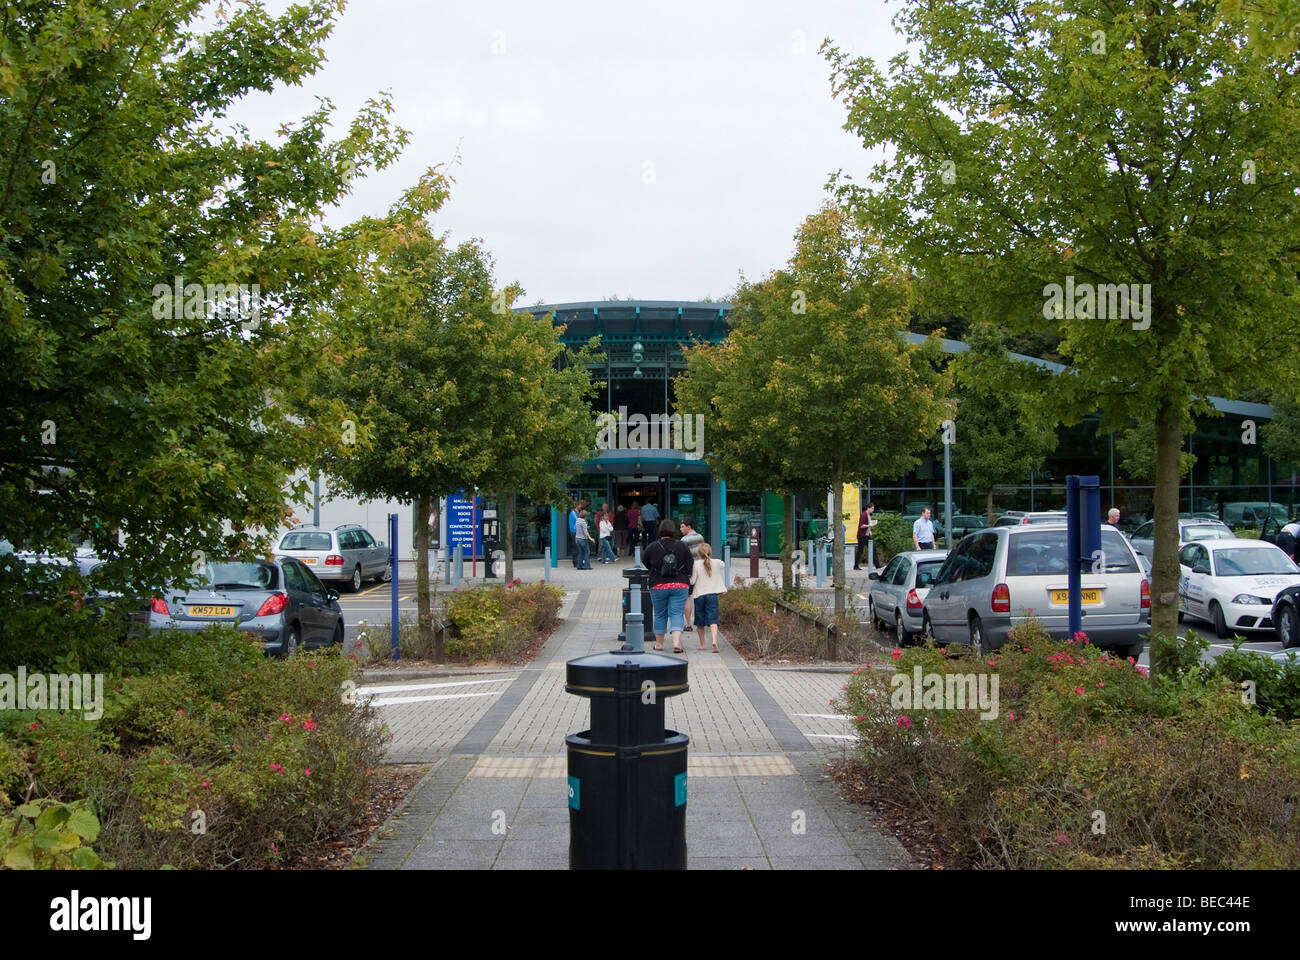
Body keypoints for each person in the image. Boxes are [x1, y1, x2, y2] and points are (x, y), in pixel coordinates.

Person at [643, 518, 692, 653]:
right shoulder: (682, 546)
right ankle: (677, 644)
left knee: (659, 614)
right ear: (674, 531)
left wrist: (655, 571)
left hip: (658, 585)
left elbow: (645, 561)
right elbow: (689, 565)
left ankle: (659, 644)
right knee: (677, 613)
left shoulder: (653, 546)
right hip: (680, 584)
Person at [689, 542, 728, 652]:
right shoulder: (716, 562)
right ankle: (714, 641)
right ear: (710, 552)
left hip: (699, 595)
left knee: (700, 621)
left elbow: (692, 581)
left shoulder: (696, 564)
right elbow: (723, 564)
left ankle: (702, 644)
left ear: (698, 554)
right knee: (713, 619)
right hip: (712, 595)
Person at [678, 517, 705, 631]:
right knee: (701, 595)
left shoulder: (684, 540)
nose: (680, 529)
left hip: (690, 570)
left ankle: (688, 623)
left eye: (682, 526)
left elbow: (681, 557)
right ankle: (702, 621)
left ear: (689, 527)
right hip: (702, 568)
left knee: (687, 596)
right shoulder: (700, 537)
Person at [854, 502, 878, 570]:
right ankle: (856, 566)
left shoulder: (869, 515)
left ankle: (878, 565)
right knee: (860, 551)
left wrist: (870, 530)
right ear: (868, 508)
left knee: (873, 549)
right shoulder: (864, 515)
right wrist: (870, 525)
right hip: (862, 535)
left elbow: (868, 524)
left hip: (867, 535)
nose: (873, 510)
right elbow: (861, 525)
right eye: (872, 508)